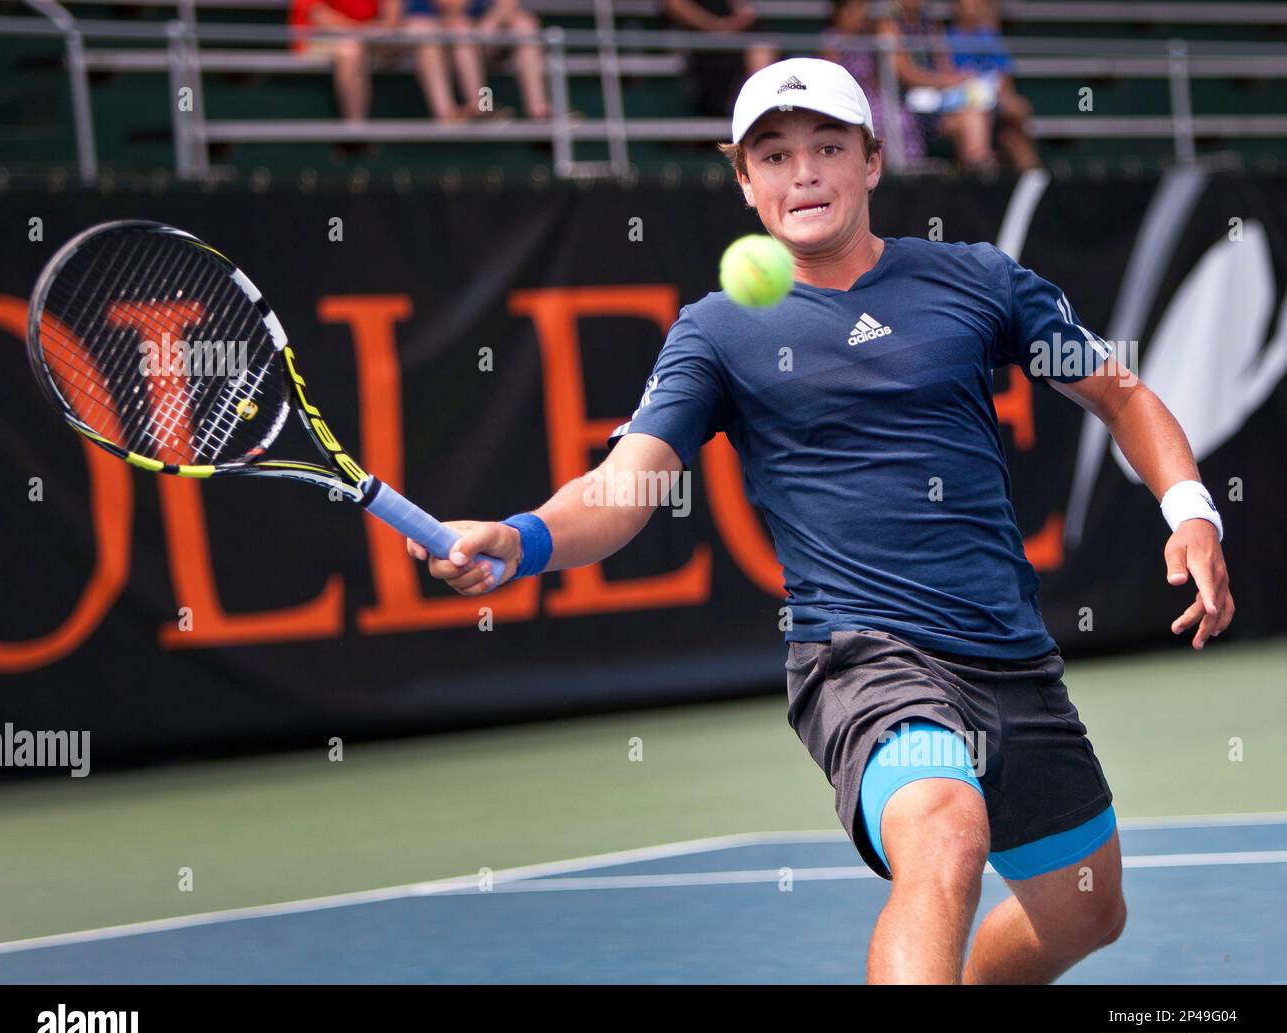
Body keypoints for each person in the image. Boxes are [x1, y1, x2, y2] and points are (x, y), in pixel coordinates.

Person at [406, 58, 1235, 983]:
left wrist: (1191, 509)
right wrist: (524, 538)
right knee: (945, 831)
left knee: (1086, 913)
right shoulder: (716, 332)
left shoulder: (976, 281)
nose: (802, 171)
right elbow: (628, 485)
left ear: (872, 163)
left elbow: (1119, 395)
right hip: (864, 656)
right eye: (774, 153)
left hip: (1010, 655)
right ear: (746, 181)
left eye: (827, 147)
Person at [387, 0, 551, 122]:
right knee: (462, 30)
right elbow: (452, 5)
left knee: (525, 25)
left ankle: (539, 112)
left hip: (480, 31)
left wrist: (491, 22)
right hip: (442, 31)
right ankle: (480, 106)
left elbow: (509, 3)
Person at [879, 0, 995, 168]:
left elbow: (944, 65)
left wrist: (960, 79)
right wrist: (944, 82)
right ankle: (982, 172)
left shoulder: (930, 23)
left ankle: (980, 171)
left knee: (974, 114)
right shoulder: (888, 24)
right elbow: (903, 73)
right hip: (905, 104)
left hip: (938, 102)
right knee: (971, 122)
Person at [822, 0, 926, 167]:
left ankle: (907, 172)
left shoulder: (867, 38)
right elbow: (829, 77)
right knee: (873, 122)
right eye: (853, 10)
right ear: (839, 14)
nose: (860, 15)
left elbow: (879, 75)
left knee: (901, 118)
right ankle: (877, 170)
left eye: (861, 9)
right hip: (848, 98)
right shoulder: (832, 39)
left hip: (873, 95)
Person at [947, 0, 1040, 170]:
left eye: (977, 6)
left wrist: (1003, 98)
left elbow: (1005, 80)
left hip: (994, 106)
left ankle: (1035, 181)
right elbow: (946, 80)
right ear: (957, 8)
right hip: (963, 106)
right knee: (975, 118)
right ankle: (982, 171)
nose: (972, 11)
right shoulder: (944, 40)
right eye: (967, 5)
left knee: (1015, 125)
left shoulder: (991, 38)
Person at [663, 0, 778, 119]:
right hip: (704, 49)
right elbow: (673, 4)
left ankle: (757, 107)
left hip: (737, 41)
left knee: (761, 45)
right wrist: (718, 26)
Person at [289, 0, 385, 123]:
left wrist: (383, 32)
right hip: (320, 38)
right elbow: (318, 15)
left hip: (372, 40)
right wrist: (365, 32)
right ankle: (356, 134)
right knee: (350, 50)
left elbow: (391, 18)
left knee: (416, 31)